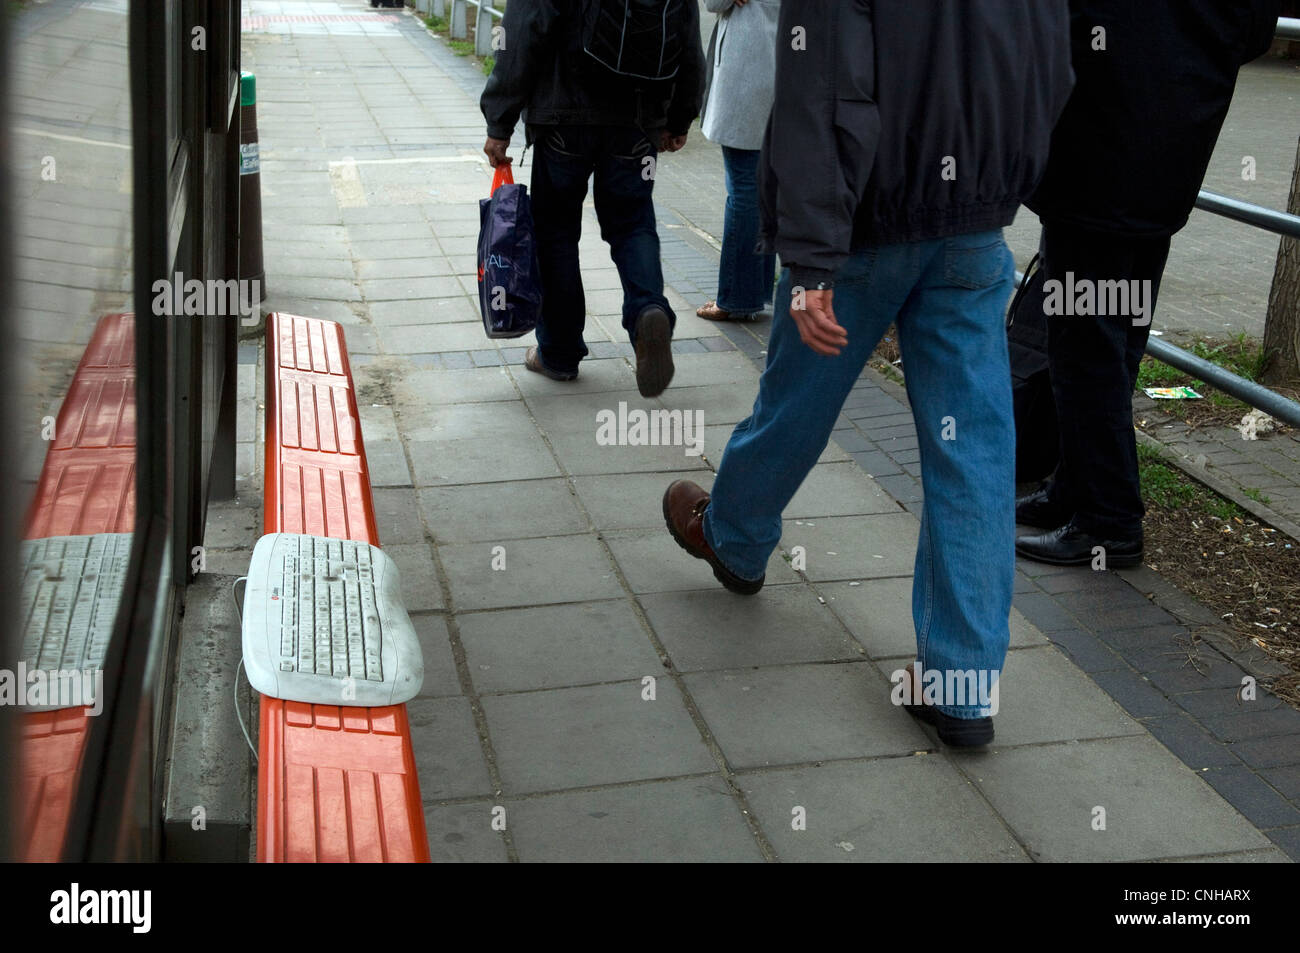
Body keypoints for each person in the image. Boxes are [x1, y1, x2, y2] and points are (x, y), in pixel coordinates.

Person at [662, 0, 1073, 746]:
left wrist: (812, 255)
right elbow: (1055, 67)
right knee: (974, 449)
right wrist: (1008, 176)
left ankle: (737, 533)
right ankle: (961, 680)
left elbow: (819, 85)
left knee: (798, 399)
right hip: (974, 222)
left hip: (864, 223)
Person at [1014, 0, 1282, 567]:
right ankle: (1076, 487)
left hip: (1098, 160)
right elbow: (1253, 29)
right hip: (1165, 159)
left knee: (1086, 348)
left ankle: (1107, 522)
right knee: (1117, 338)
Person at [479, 1, 705, 398]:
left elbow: (520, 34)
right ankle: (648, 311)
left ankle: (559, 353)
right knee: (634, 224)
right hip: (639, 124)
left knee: (556, 235)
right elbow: (689, 43)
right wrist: (679, 118)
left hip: (563, 119)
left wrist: (500, 121)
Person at [694, 0, 780, 323]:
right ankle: (756, 291)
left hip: (748, 69)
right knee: (763, 188)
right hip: (783, 65)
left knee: (744, 189)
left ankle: (736, 297)